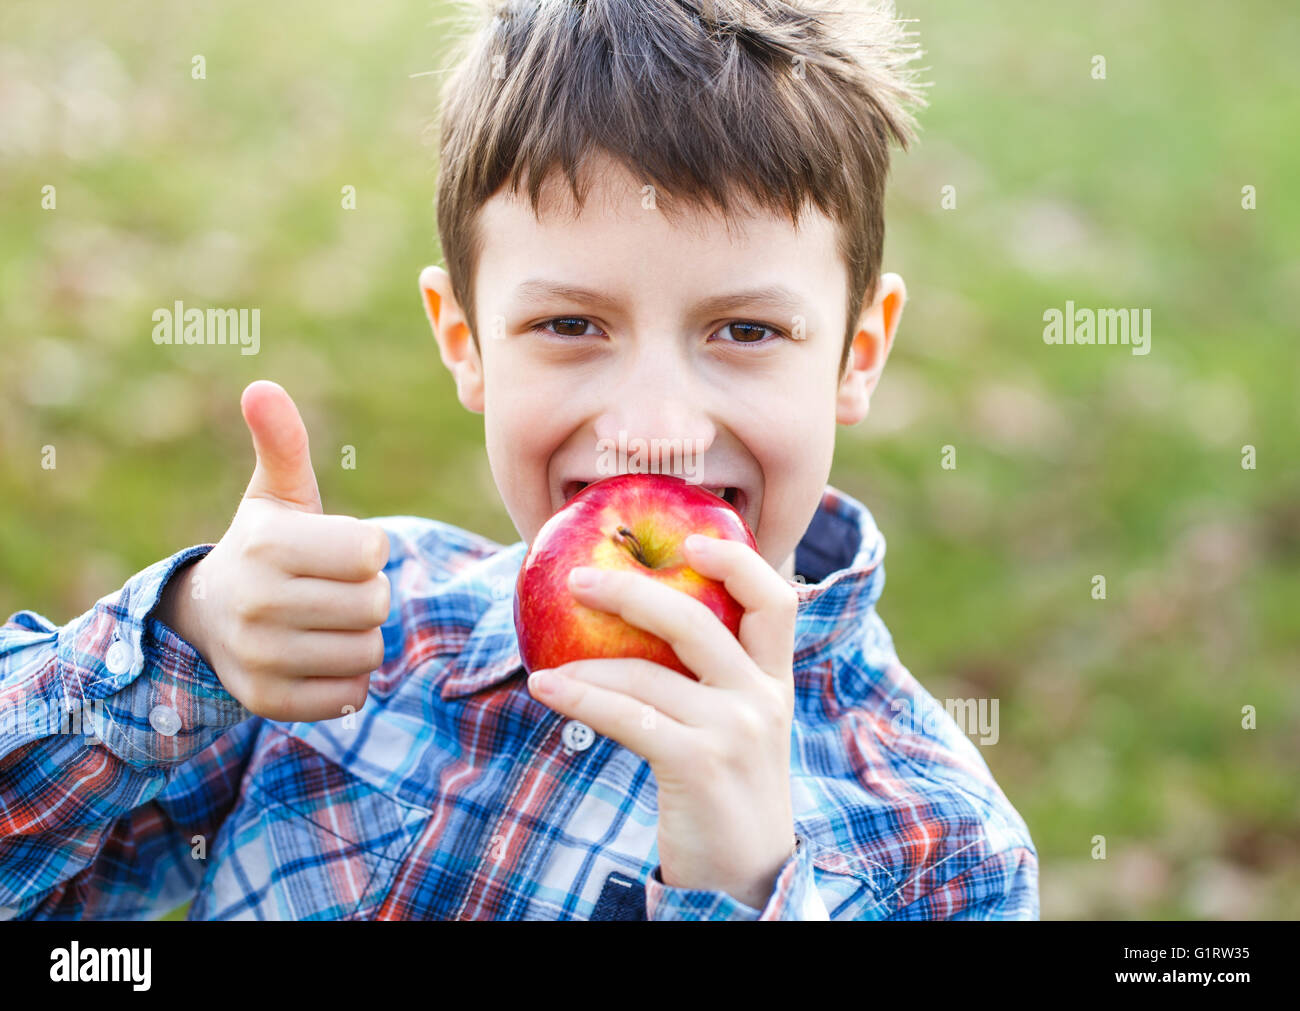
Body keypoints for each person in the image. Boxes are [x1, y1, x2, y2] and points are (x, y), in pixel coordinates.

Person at [0, 0, 1037, 920]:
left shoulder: (940, 854)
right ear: (465, 341)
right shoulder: (351, 643)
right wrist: (182, 645)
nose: (655, 428)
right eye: (573, 323)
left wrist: (743, 888)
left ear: (857, 356)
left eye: (746, 331)